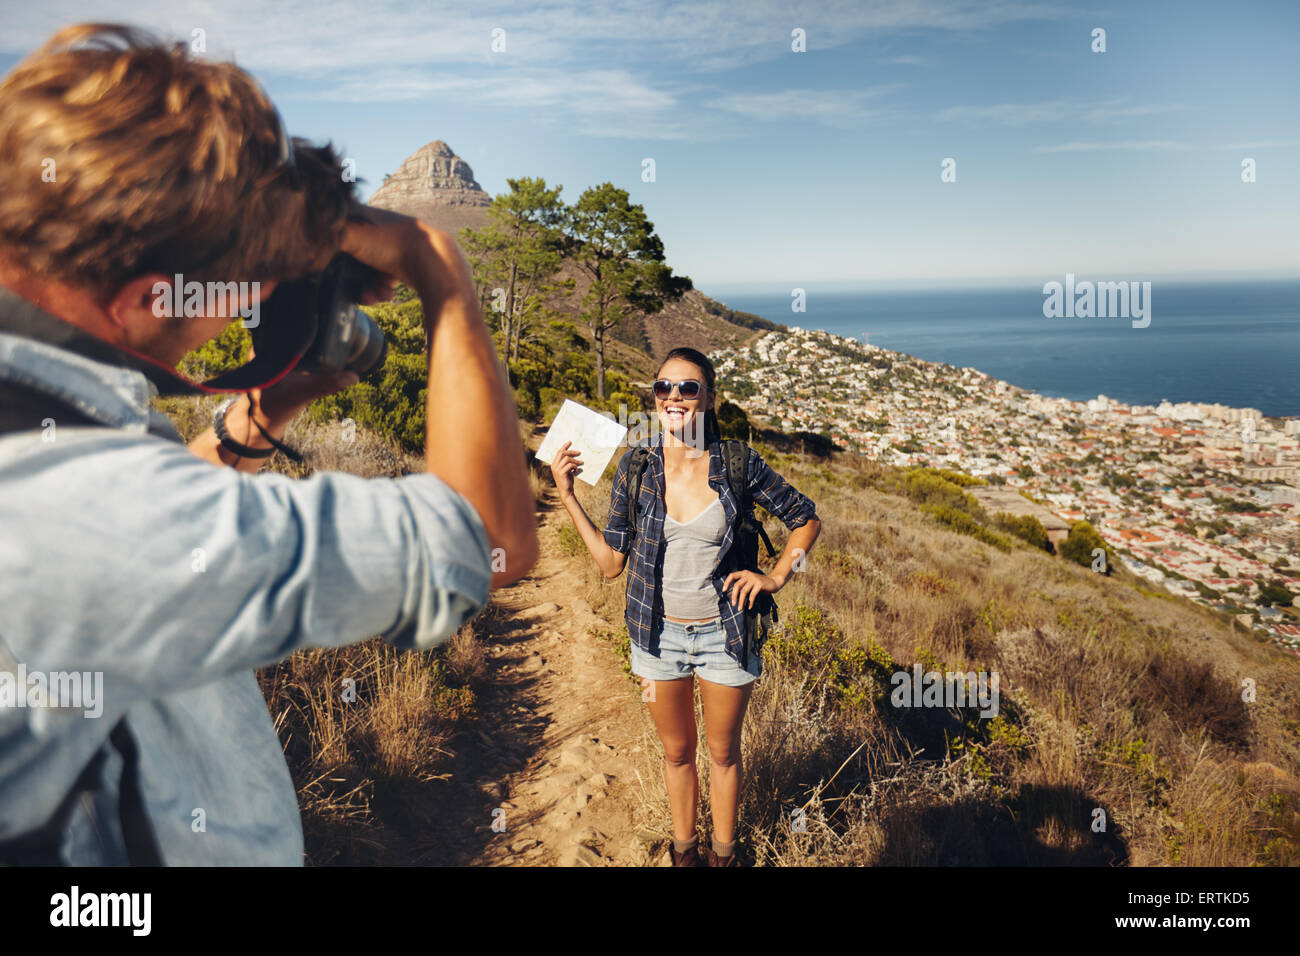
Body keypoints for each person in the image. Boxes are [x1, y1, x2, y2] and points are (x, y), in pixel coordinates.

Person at [0, 23, 538, 865]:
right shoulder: (72, 512)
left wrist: (274, 403)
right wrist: (442, 274)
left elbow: (131, 513)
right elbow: (485, 540)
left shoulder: (37, 422)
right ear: (149, 298)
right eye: (247, 290)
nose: (251, 304)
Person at [549, 347, 821, 866]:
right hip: (658, 638)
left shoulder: (739, 463)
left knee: (722, 754)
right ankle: (684, 854)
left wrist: (777, 576)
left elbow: (805, 518)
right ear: (655, 398)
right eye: (664, 388)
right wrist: (567, 498)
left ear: (709, 399)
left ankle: (724, 855)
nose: (674, 397)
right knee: (677, 754)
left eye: (688, 388)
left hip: (725, 635)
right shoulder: (638, 466)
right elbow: (610, 565)